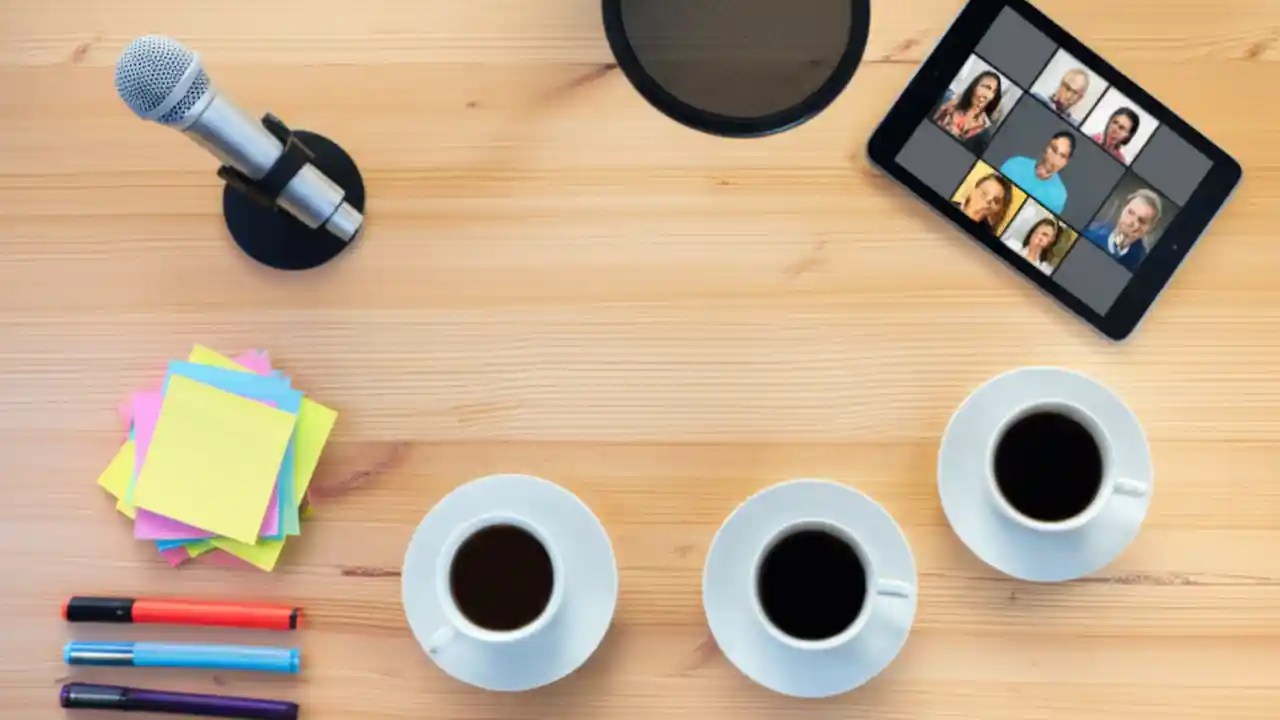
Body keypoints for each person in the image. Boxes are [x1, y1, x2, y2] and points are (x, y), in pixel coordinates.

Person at [1083, 189, 1164, 271]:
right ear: (1123, 208)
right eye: (1130, 212)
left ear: (1149, 229)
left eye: (1141, 221)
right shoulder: (1090, 231)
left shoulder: (1143, 266)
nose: (1130, 222)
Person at [998, 132, 1075, 214]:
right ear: (1047, 147)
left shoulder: (1059, 195)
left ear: (1066, 162)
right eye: (1054, 149)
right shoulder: (1015, 164)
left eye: (1062, 156)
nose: (1055, 158)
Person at [932, 71, 1003, 149]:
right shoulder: (948, 103)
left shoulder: (984, 134)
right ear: (974, 86)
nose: (989, 95)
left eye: (994, 91)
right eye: (986, 87)